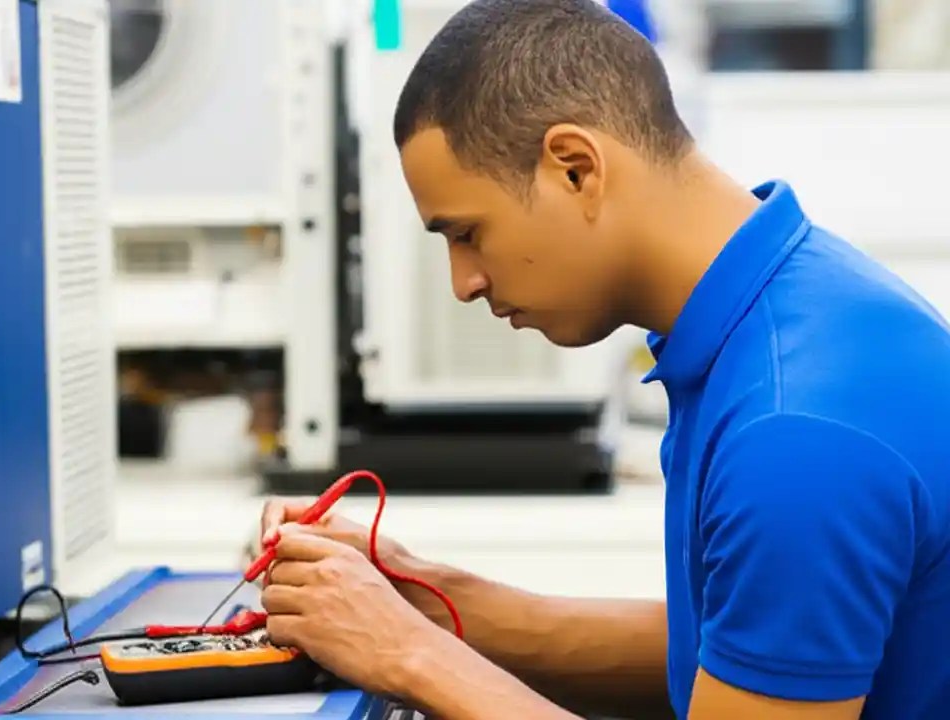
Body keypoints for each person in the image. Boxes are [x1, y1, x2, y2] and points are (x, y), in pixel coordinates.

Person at [255, 1, 950, 718]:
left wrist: (408, 656)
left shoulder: (792, 429)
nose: (464, 283)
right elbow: (737, 657)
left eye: (467, 233)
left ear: (576, 168)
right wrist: (430, 602)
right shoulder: (792, 312)